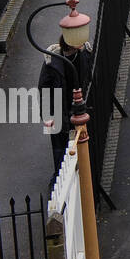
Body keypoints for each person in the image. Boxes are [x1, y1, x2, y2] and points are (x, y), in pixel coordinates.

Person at [38, 33, 93, 174]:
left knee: (80, 138)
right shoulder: (51, 62)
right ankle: (59, 173)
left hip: (76, 105)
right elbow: (43, 89)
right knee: (59, 146)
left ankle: (83, 171)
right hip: (57, 108)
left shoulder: (84, 53)